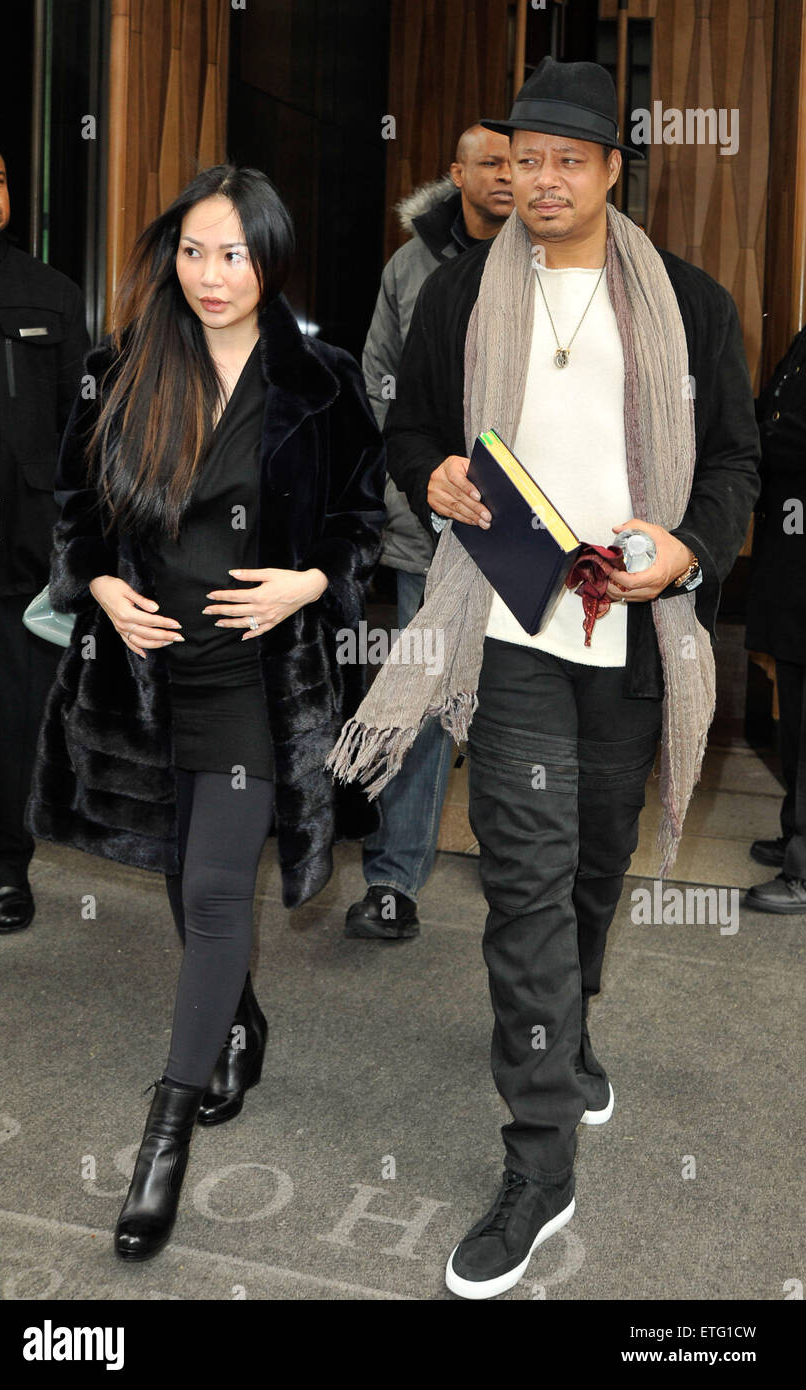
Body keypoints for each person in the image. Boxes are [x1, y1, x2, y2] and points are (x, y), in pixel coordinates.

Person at [328, 57, 760, 1298]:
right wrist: (436, 477)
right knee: (519, 875)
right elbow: (409, 428)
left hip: (629, 632)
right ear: (500, 167)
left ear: (613, 170)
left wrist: (686, 545)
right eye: (523, 158)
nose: (540, 180)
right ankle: (537, 1156)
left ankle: (566, 1029)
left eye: (567, 159)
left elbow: (729, 458)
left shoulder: (687, 299)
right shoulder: (458, 292)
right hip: (508, 619)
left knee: (587, 865)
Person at [26, 165, 385, 1260]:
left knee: (221, 886)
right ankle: (238, 1020)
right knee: (187, 882)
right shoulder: (120, 371)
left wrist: (307, 586)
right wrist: (95, 586)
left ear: (268, 258)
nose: (210, 274)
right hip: (144, 678)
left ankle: (163, 1137)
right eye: (192, 250)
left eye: (232, 252)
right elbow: (76, 512)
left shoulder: (319, 382)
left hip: (253, 685)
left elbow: (361, 521)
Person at [347, 125, 513, 940]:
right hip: (430, 532)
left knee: (511, 708)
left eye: (520, 160)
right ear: (456, 174)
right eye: (490, 162)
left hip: (531, 538)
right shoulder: (409, 268)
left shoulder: (552, 259)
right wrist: (427, 470)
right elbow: (379, 386)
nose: (509, 175)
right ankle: (393, 880)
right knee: (416, 707)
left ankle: (519, 871)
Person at [0, 126, 88, 934]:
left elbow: (80, 434)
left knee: (13, 727)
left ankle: (5, 868)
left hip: (17, 557)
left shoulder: (50, 291)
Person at [744, 323, 806, 913]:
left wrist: (757, 439)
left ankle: (805, 869)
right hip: (791, 553)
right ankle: (795, 832)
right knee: (796, 706)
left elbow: (786, 428)